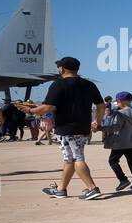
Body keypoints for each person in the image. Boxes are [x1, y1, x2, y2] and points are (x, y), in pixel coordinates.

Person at [25, 57, 106, 200]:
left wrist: (30, 111)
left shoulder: (58, 84)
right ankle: (61, 189)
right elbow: (101, 105)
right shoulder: (89, 84)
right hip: (82, 127)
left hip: (67, 127)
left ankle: (92, 188)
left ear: (62, 68)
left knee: (77, 158)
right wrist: (97, 121)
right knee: (69, 158)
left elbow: (48, 107)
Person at [101, 90, 132, 192]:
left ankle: (123, 180)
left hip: (120, 143)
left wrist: (100, 128)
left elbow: (115, 127)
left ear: (120, 101)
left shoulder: (119, 113)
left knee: (113, 161)